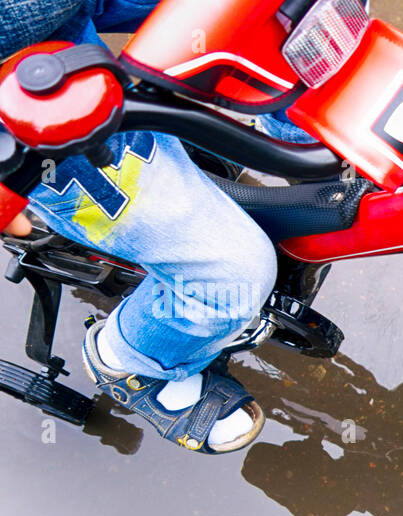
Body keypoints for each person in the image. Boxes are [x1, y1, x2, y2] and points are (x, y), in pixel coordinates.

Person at [1, 0, 274, 453]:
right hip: (44, 120)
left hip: (60, 21)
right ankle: (130, 359)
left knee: (281, 23)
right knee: (231, 279)